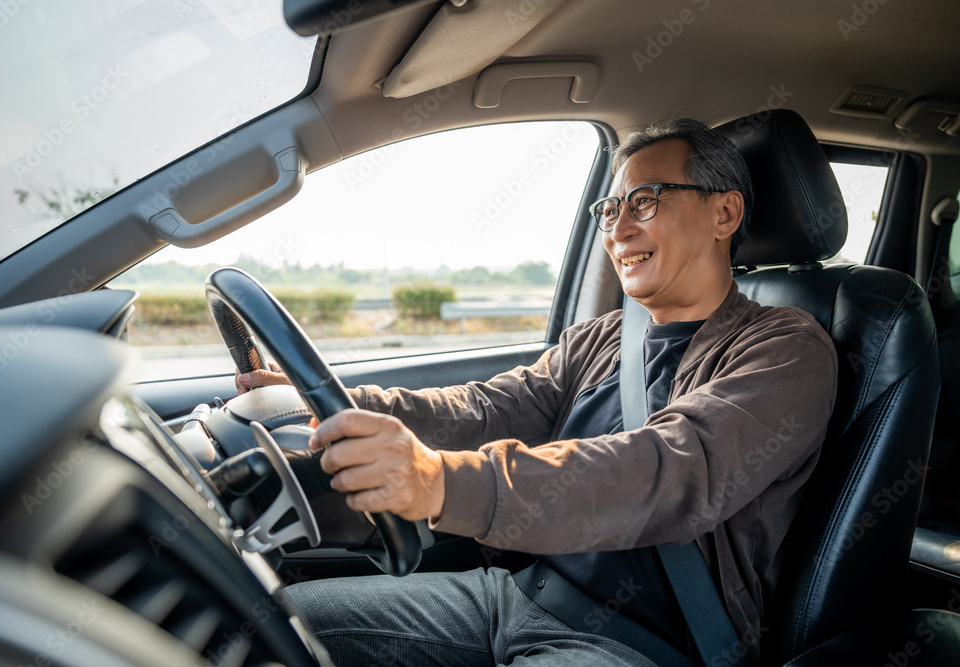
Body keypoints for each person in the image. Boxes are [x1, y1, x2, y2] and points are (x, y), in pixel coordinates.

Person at [236, 118, 838, 666]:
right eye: (611, 209)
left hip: (637, 644)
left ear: (724, 215)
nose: (619, 228)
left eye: (645, 202)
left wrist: (440, 481)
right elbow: (484, 409)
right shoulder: (603, 337)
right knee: (259, 625)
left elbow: (668, 469)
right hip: (512, 594)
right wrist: (326, 400)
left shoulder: (786, 348)